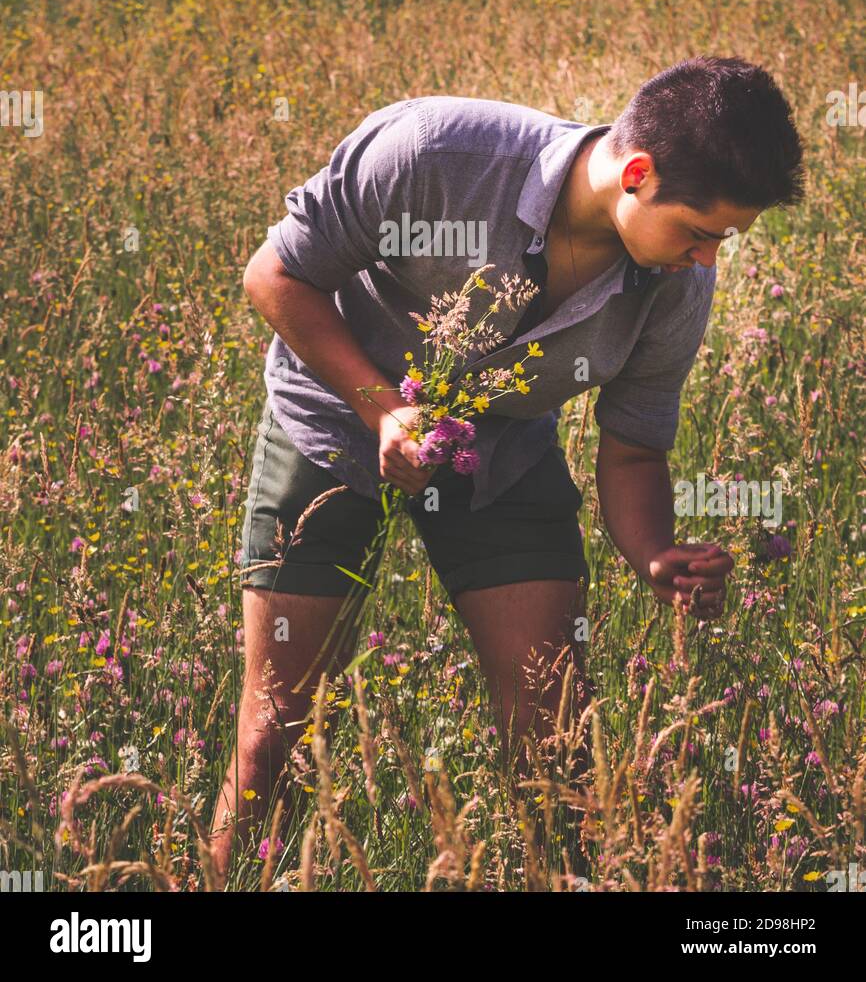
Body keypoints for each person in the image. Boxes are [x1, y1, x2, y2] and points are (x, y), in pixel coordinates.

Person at [209, 55, 804, 885]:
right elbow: (276, 274)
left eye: (724, 240)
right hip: (333, 426)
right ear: (637, 174)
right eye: (700, 232)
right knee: (273, 733)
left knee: (559, 736)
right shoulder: (433, 152)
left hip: (502, 452)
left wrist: (655, 556)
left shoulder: (672, 287)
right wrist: (385, 409)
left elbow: (632, 448)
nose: (707, 260)